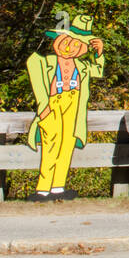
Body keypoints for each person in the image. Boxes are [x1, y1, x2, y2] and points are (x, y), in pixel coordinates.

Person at [25, 15, 105, 201]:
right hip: (53, 103)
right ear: (58, 40)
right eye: (67, 42)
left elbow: (98, 71)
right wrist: (44, 107)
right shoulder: (45, 62)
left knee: (67, 144)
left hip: (74, 104)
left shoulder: (83, 66)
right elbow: (35, 74)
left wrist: (98, 54)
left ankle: (58, 187)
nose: (71, 48)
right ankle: (43, 189)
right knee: (50, 144)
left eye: (78, 45)